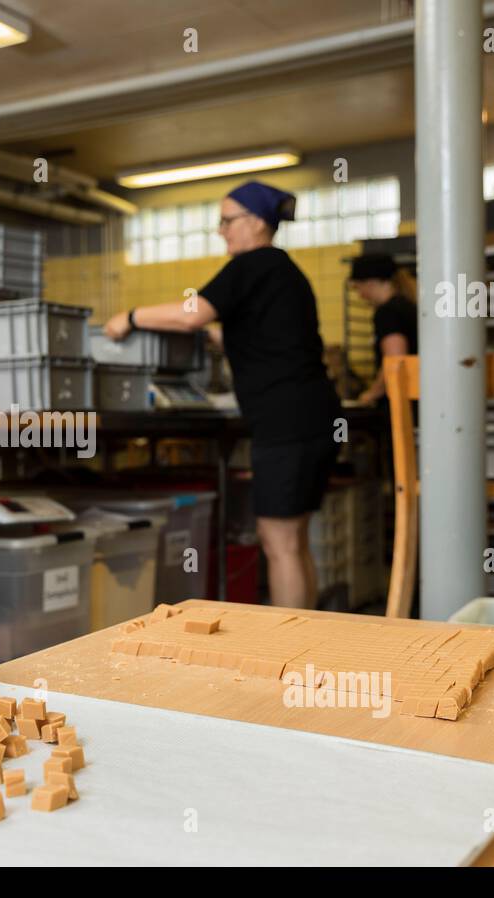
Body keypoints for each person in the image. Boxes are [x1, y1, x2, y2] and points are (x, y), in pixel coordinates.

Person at [103, 180, 341, 609]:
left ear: (255, 222)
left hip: (284, 419)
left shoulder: (250, 265)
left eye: (227, 221)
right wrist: (224, 335)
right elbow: (267, 334)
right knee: (295, 538)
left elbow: (191, 314)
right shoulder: (284, 270)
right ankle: (309, 637)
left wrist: (130, 317)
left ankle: (290, 651)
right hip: (314, 414)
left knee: (278, 540)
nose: (221, 230)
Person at [348, 253, 418, 404]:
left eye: (358, 287)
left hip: (400, 405)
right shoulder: (408, 305)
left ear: (371, 283)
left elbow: (395, 358)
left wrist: (372, 394)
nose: (360, 295)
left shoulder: (387, 312)